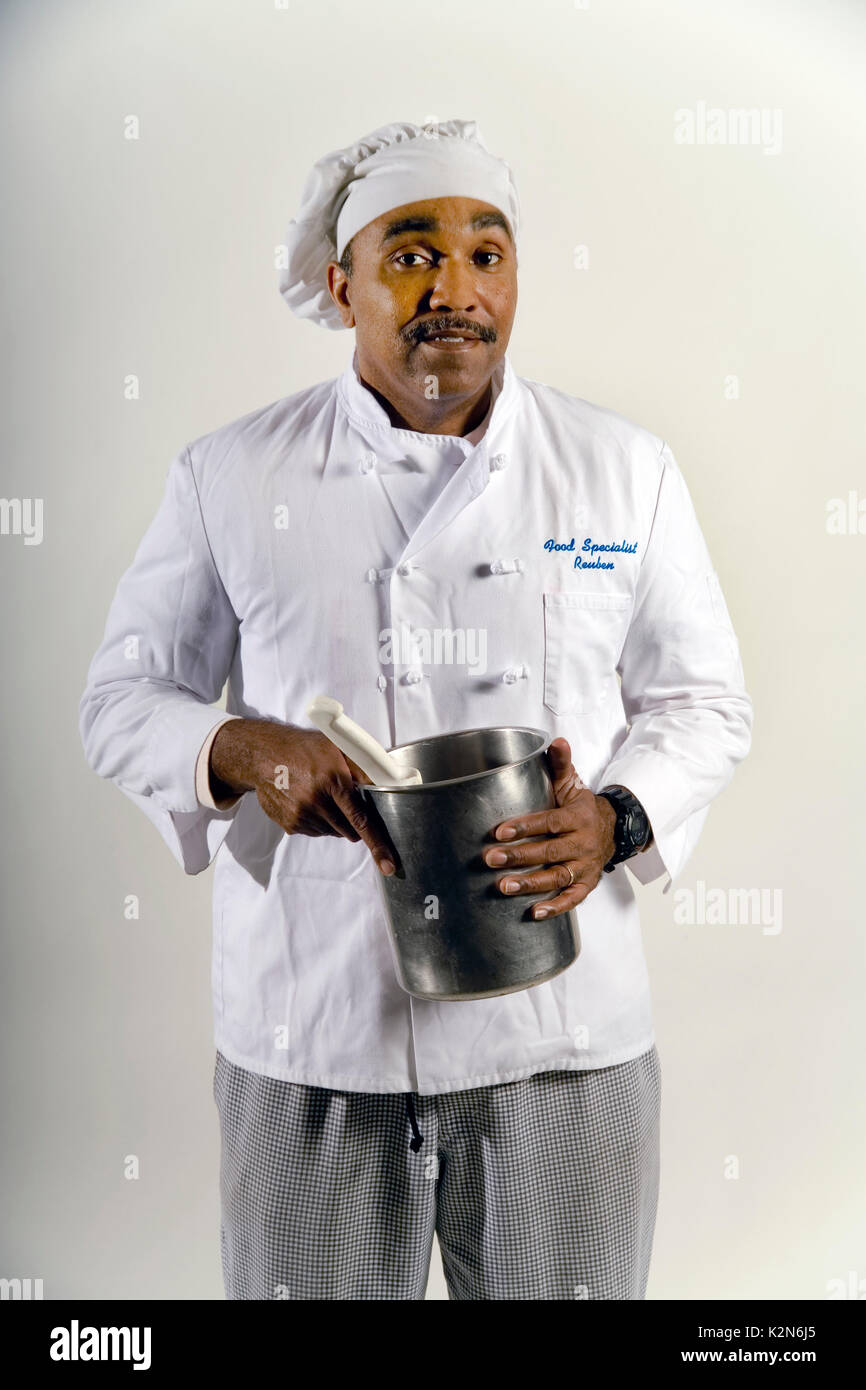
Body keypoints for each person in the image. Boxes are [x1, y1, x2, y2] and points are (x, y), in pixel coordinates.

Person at [78, 118, 753, 1301]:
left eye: (485, 254)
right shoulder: (232, 476)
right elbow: (121, 698)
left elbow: (702, 701)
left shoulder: (620, 470)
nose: (454, 287)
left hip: (563, 1044)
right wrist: (237, 747)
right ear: (342, 287)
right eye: (409, 253)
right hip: (314, 1038)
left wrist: (620, 820)